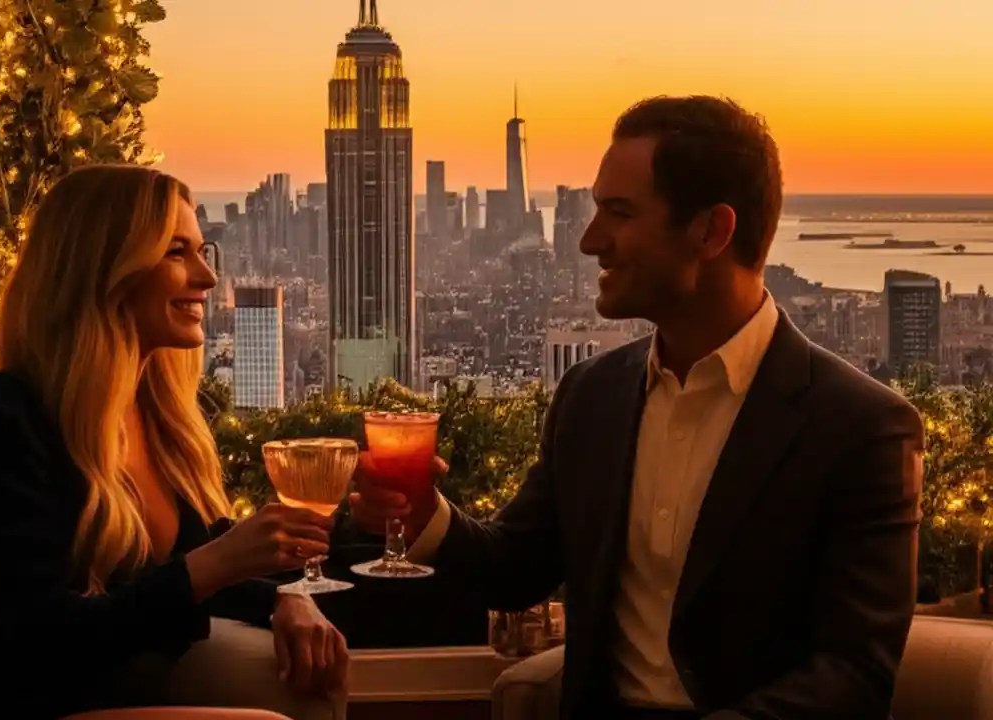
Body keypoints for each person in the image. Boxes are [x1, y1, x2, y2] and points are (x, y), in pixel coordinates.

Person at [350, 96, 924, 720]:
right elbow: (516, 568)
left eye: (618, 213)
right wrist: (425, 512)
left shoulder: (859, 427)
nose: (591, 240)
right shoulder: (592, 396)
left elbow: (854, 674)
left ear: (711, 231)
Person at [0, 165, 349, 720]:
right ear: (103, 268)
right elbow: (41, 637)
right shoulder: (1, 412)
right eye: (177, 252)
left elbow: (170, 583)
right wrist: (214, 564)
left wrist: (282, 598)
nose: (206, 277)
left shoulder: (164, 421)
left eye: (205, 251)